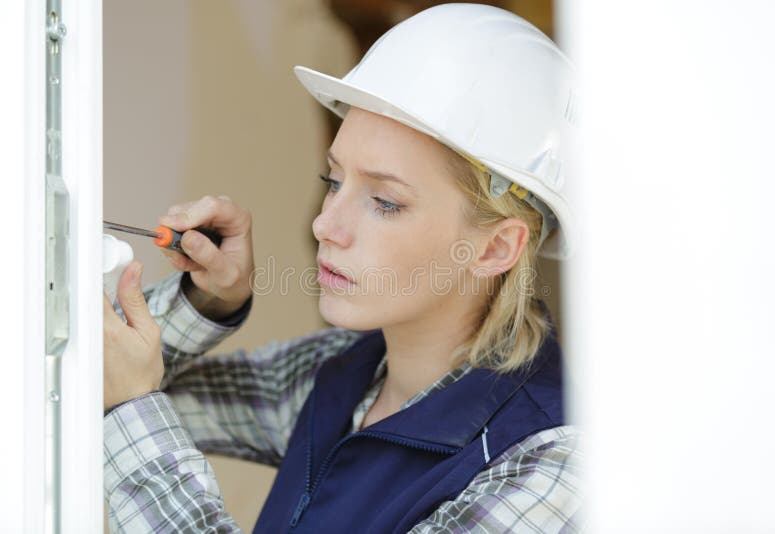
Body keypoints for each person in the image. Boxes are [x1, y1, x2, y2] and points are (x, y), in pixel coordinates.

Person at [103, 4, 581, 533]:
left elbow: (134, 407)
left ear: (494, 248)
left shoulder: (548, 464)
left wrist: (132, 403)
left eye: (384, 202)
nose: (325, 224)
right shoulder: (341, 371)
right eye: (334, 181)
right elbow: (116, 385)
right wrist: (212, 302)